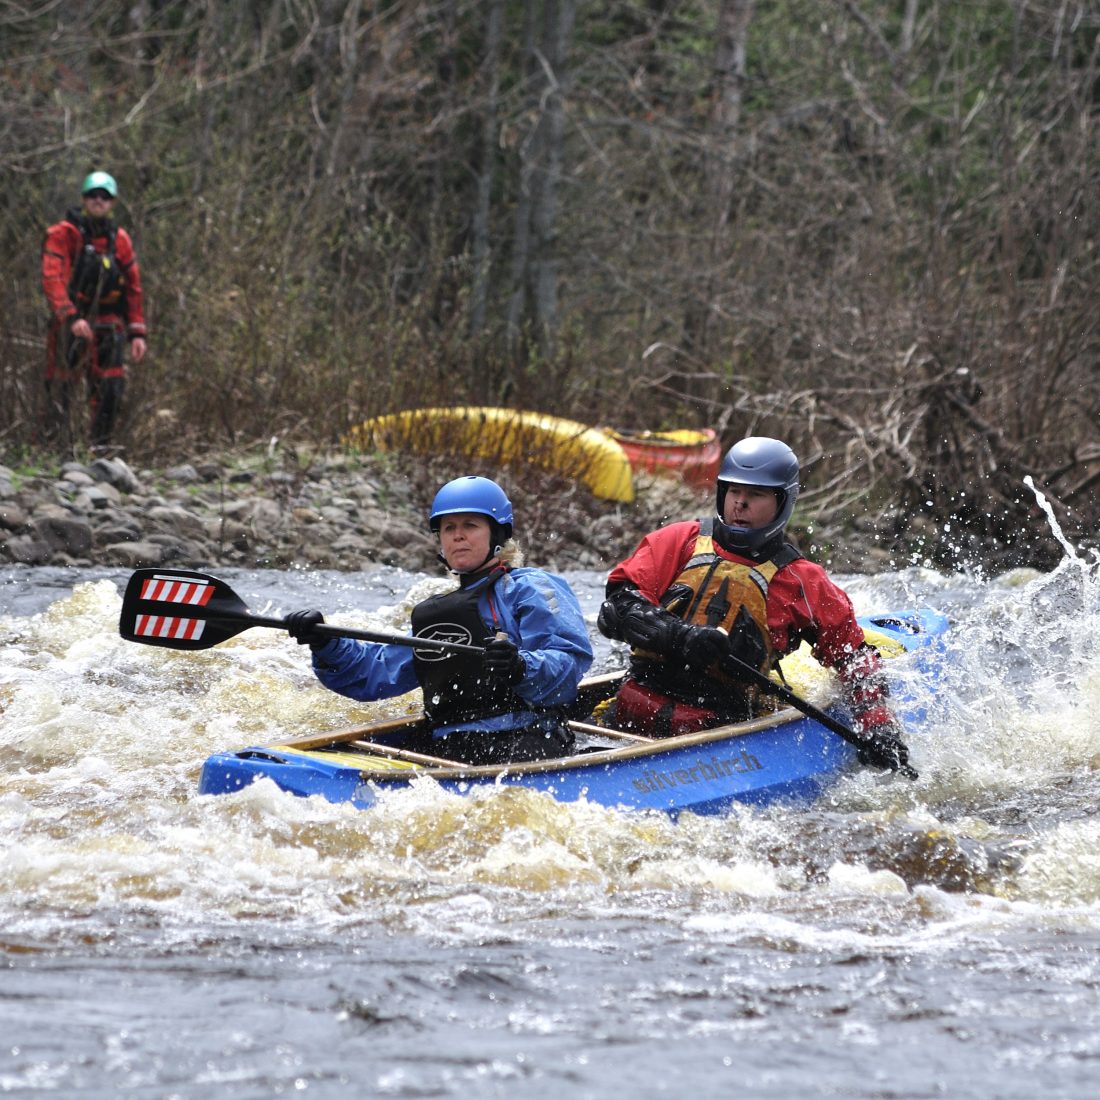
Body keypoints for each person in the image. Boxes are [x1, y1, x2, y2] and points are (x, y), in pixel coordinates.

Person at [596, 436, 911, 772]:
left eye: (756, 495)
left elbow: (854, 660)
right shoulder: (680, 540)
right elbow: (618, 607)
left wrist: (880, 727)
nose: (740, 504)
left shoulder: (803, 581)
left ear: (782, 502)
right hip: (631, 713)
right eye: (734, 492)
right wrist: (681, 636)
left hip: (721, 734)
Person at [286, 476, 594, 766]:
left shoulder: (531, 588)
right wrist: (325, 643)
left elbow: (568, 665)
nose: (457, 535)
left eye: (470, 525)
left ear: (498, 534)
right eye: (448, 528)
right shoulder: (438, 613)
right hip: (450, 745)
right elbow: (375, 674)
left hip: (527, 738)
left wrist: (521, 667)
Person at [41, 171, 147, 449]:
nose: (98, 201)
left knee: (110, 388)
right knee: (61, 386)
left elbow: (133, 287)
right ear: (84, 199)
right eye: (93, 195)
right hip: (72, 321)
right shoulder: (63, 234)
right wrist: (70, 315)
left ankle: (100, 449)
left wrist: (138, 332)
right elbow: (53, 277)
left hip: (109, 323)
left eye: (105, 196)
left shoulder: (119, 239)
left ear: (112, 203)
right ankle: (54, 448)